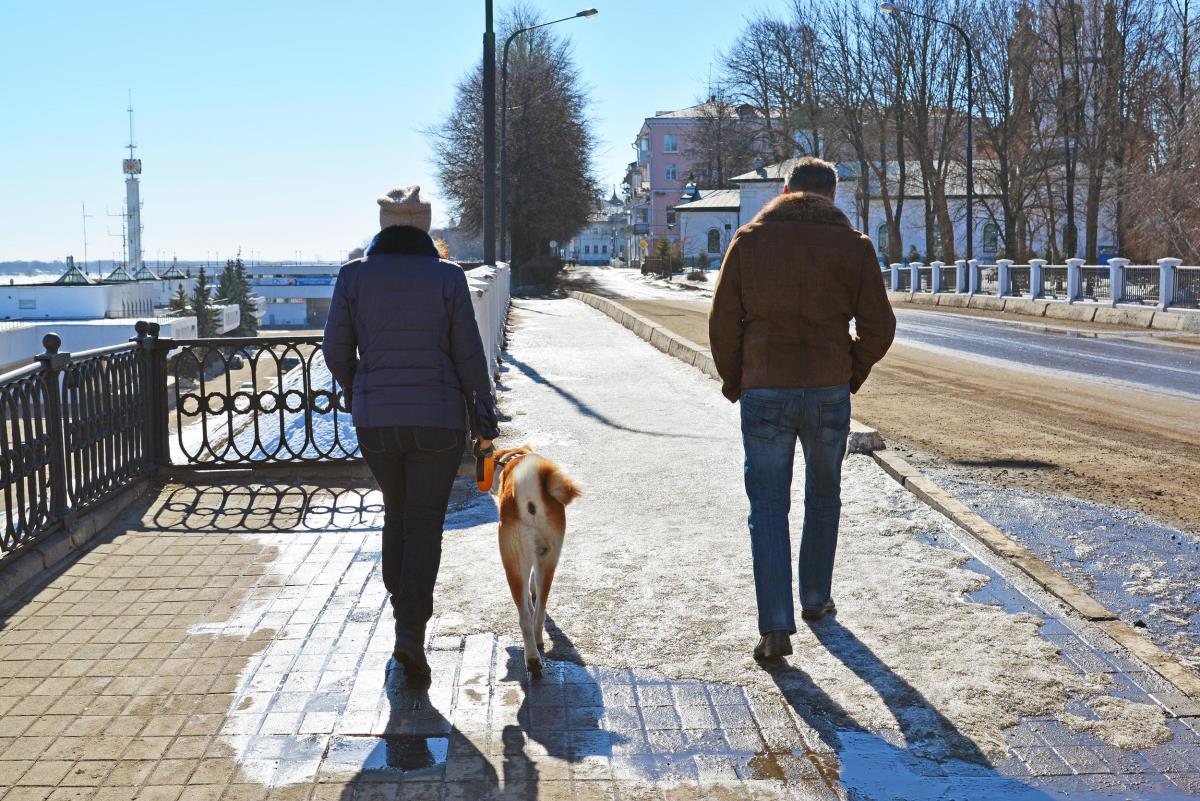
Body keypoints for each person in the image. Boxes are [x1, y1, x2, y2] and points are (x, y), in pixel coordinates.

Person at [708, 157, 896, 661]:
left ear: (786, 190)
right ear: (833, 197)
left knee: (768, 505)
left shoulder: (749, 241)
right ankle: (815, 598)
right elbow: (880, 328)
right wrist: (849, 371)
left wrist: (738, 382)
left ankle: (774, 626)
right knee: (824, 495)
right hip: (829, 389)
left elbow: (724, 324)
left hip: (766, 387)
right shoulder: (853, 247)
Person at [323, 185, 500, 684]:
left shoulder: (353, 277)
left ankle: (402, 608)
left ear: (383, 226)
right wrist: (483, 421)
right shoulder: (446, 278)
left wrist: (364, 388)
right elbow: (468, 353)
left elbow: (334, 349)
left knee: (396, 514)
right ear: (424, 227)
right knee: (424, 523)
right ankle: (410, 630)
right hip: (439, 420)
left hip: (377, 422)